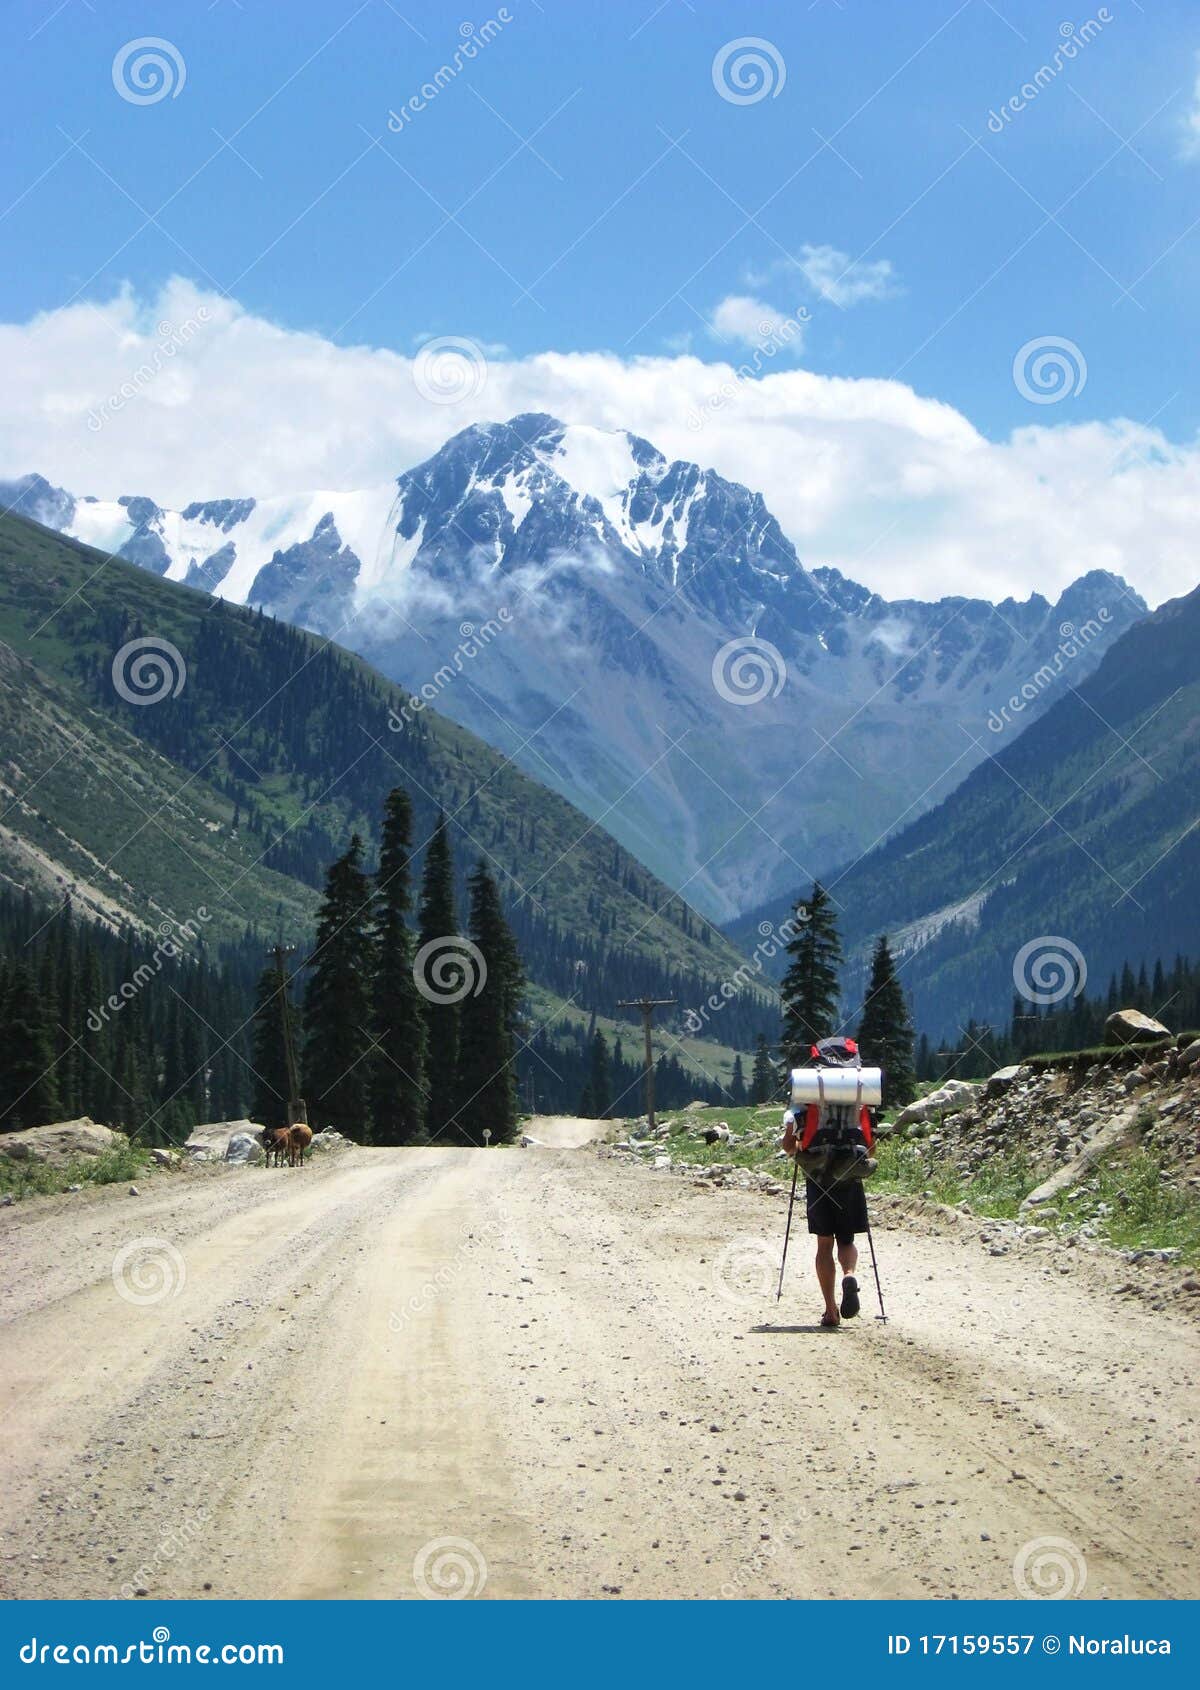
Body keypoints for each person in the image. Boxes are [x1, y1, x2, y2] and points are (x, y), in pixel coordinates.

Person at [781, 1035, 874, 1328]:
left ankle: (831, 1311)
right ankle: (850, 1275)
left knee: (824, 1244)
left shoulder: (807, 1093)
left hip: (817, 1175)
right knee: (846, 1239)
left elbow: (788, 1144)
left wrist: (797, 1145)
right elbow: (870, 1146)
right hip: (849, 1172)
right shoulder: (859, 1092)